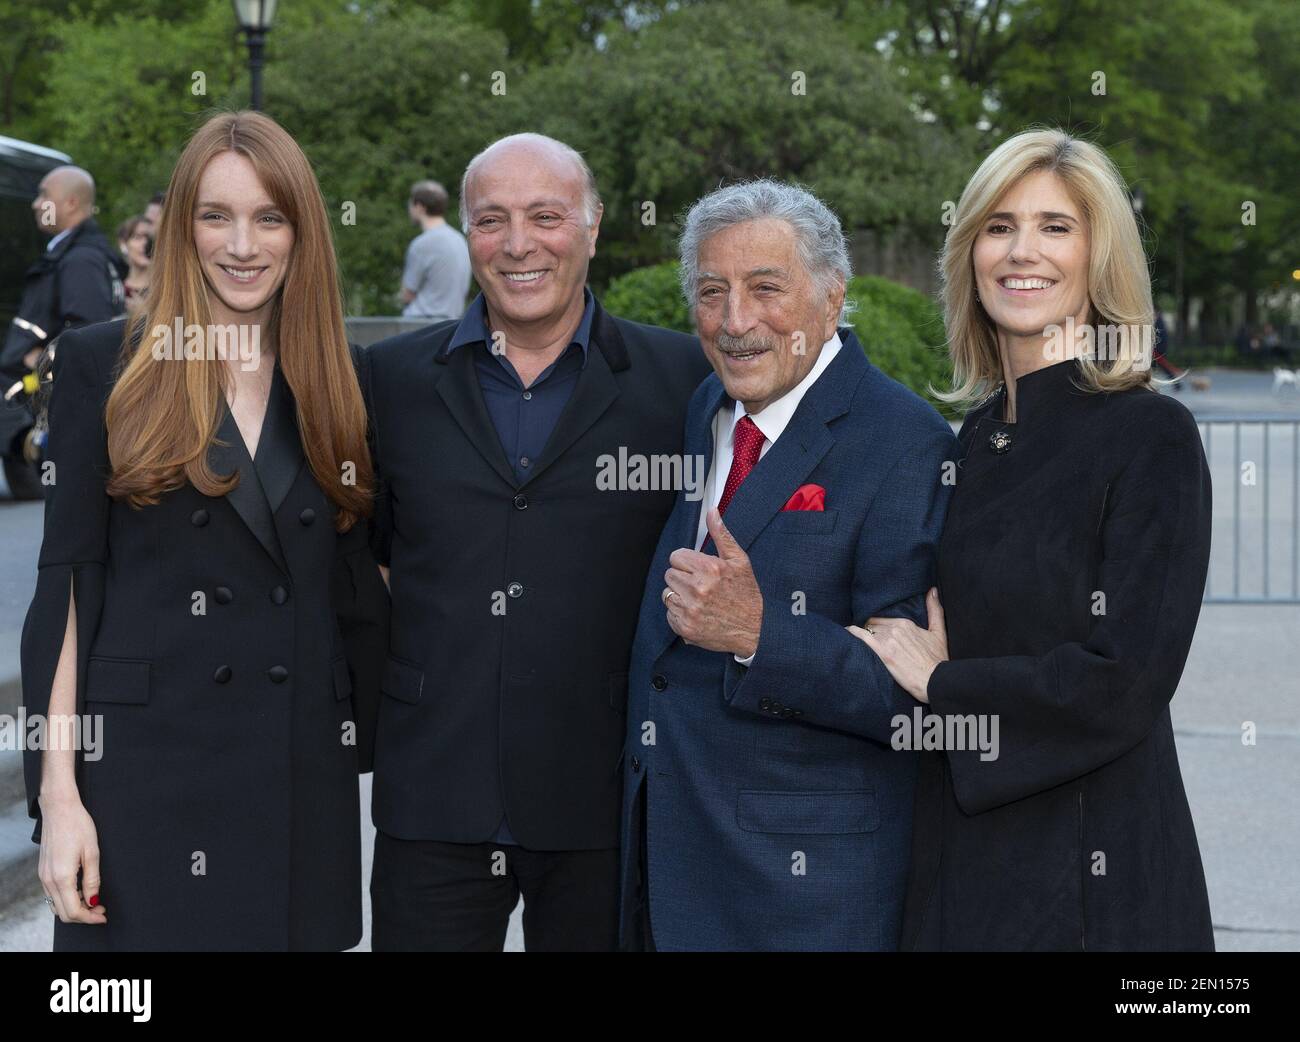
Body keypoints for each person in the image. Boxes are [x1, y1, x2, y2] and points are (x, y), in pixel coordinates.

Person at [848, 128, 1214, 951]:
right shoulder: (975, 438)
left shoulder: (1149, 435)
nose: (1023, 252)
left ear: (1099, 257)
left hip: (1092, 876)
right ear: (970, 250)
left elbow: (1124, 681)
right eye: (999, 225)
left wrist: (947, 685)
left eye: (1056, 227)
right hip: (961, 857)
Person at [21, 110, 378, 951]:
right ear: (181, 228)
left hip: (296, 781)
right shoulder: (101, 363)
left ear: (302, 230)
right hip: (143, 779)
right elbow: (67, 592)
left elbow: (376, 572)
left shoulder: (340, 379)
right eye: (216, 216)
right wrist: (60, 799)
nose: (242, 245)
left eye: (269, 217)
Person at [363, 133, 710, 951]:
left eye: (545, 216)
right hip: (432, 792)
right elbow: (369, 557)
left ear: (592, 227)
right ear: (467, 233)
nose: (518, 244)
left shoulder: (683, 383)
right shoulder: (392, 382)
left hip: (603, 793)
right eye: (492, 220)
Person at [619, 180, 958, 951]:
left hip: (802, 897)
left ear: (832, 297)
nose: (735, 321)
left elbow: (910, 704)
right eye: (712, 292)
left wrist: (759, 632)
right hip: (669, 864)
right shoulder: (708, 406)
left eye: (765, 288)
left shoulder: (907, 443)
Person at [1, 165, 126, 380]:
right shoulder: (79, 254)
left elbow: (89, 334)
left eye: (44, 195)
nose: (36, 204)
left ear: (71, 204)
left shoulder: (81, 260)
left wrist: (41, 361)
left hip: (38, 404)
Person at [399, 179, 471, 321]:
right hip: (451, 323)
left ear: (419, 207)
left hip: (420, 324)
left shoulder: (422, 244)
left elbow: (407, 295)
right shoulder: (460, 240)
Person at [115, 214, 152, 317]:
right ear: (123, 244)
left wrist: (145, 314)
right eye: (138, 237)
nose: (145, 243)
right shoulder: (113, 288)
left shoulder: (165, 288)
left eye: (149, 238)